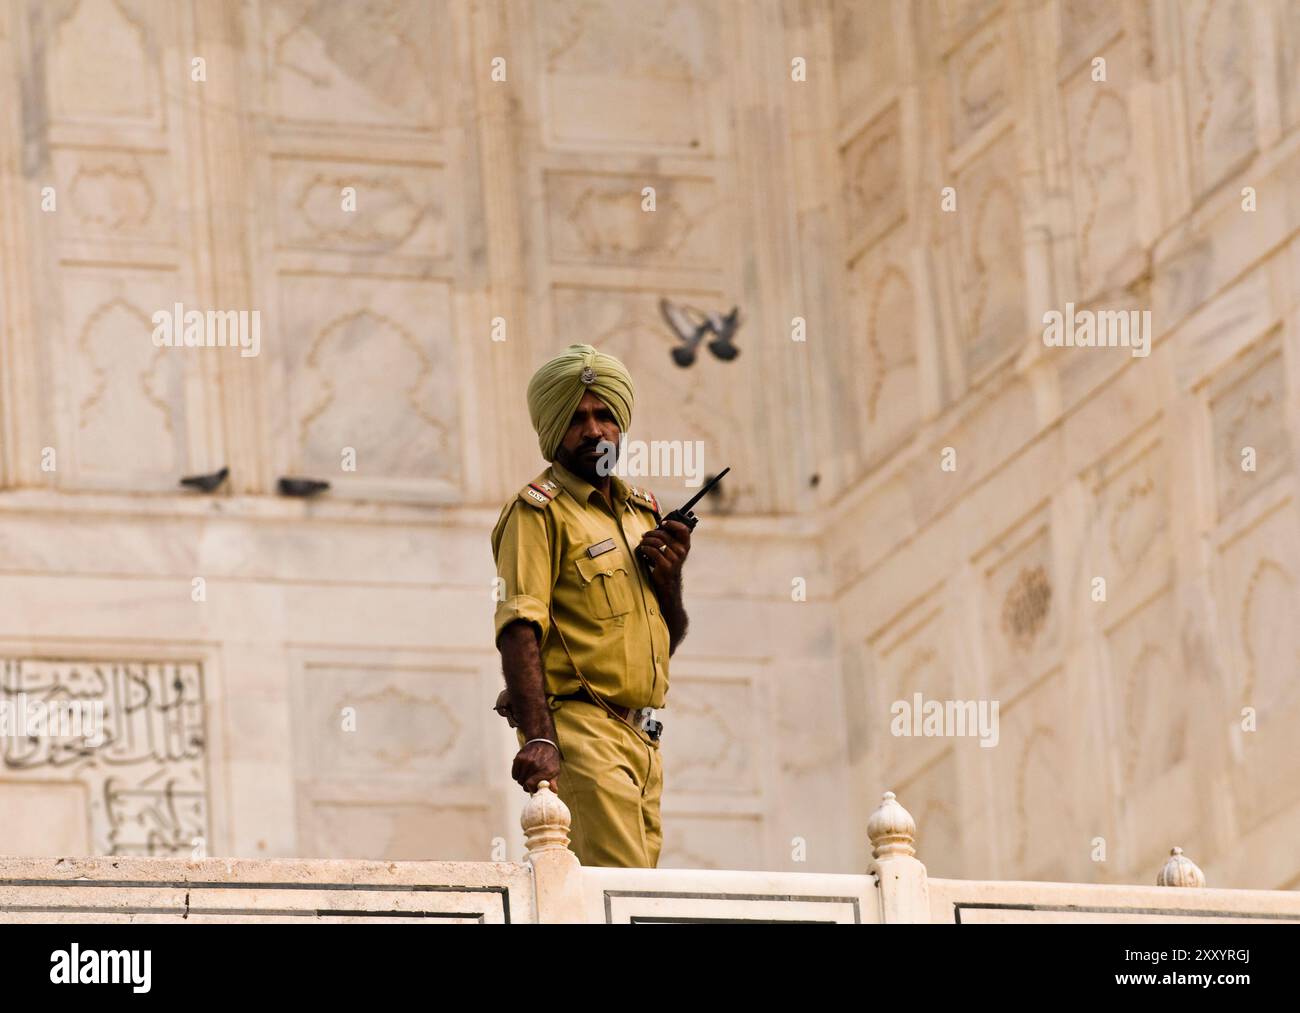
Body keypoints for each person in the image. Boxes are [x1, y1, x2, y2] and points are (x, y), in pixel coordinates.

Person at [490, 343, 691, 867]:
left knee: (634, 896)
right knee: (619, 897)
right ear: (553, 429)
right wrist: (540, 739)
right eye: (578, 419)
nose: (595, 431)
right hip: (583, 733)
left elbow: (667, 639)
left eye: (605, 415)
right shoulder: (539, 511)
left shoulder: (639, 511)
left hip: (643, 743)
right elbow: (519, 626)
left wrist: (670, 579)